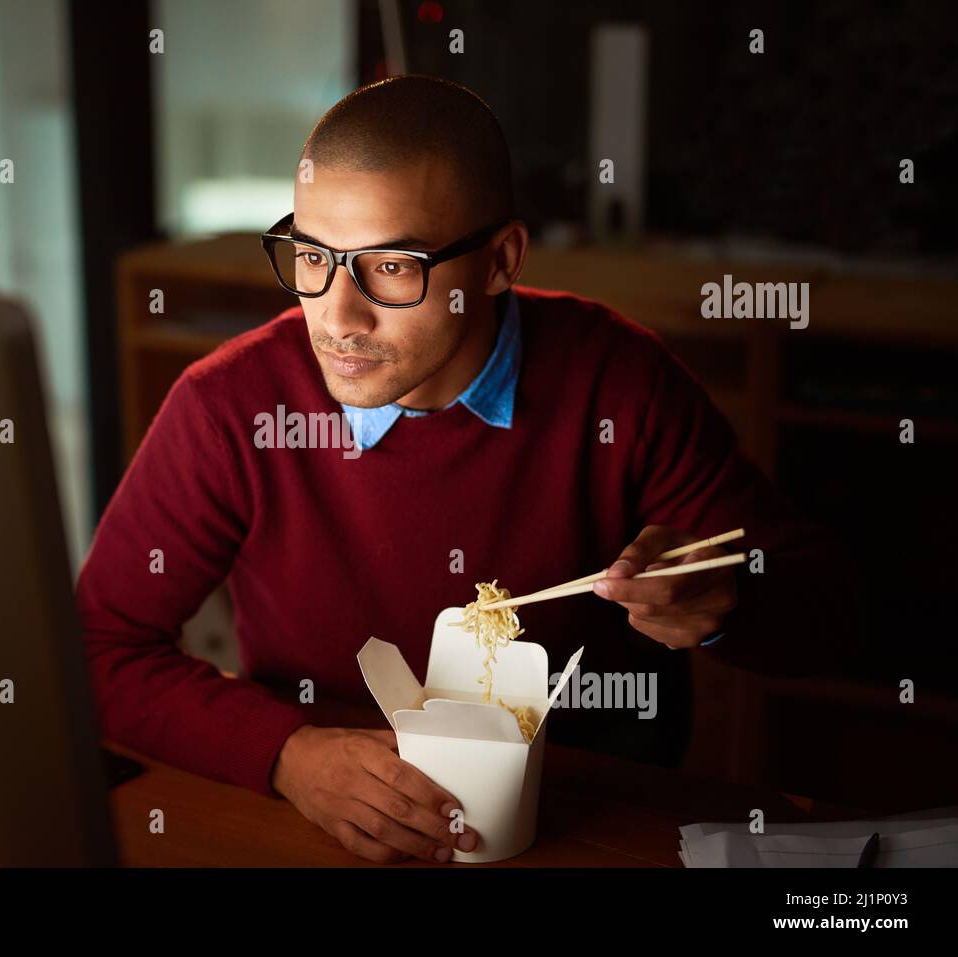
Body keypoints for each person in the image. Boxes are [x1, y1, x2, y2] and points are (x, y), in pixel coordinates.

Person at [76, 75, 846, 863]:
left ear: (500, 259)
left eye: (392, 267)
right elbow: (99, 646)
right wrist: (288, 754)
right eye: (313, 256)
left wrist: (726, 602)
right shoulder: (232, 404)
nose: (337, 316)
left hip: (583, 814)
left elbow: (822, 607)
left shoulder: (618, 381)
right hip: (325, 812)